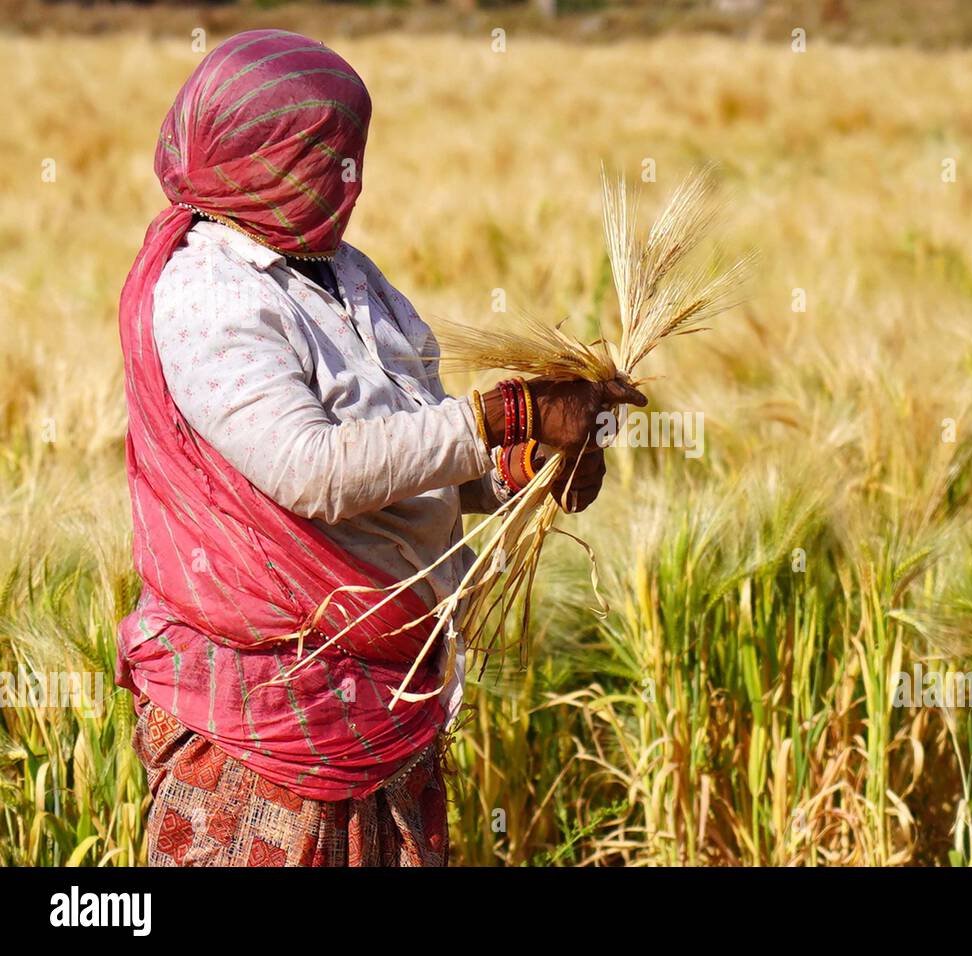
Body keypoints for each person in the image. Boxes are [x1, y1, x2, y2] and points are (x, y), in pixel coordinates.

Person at [116, 28, 644, 866]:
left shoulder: (348, 275)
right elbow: (313, 470)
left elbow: (418, 449)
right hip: (270, 703)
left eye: (353, 154)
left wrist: (533, 466)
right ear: (258, 154)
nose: (351, 178)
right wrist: (508, 416)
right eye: (327, 155)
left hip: (386, 682)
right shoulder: (207, 292)